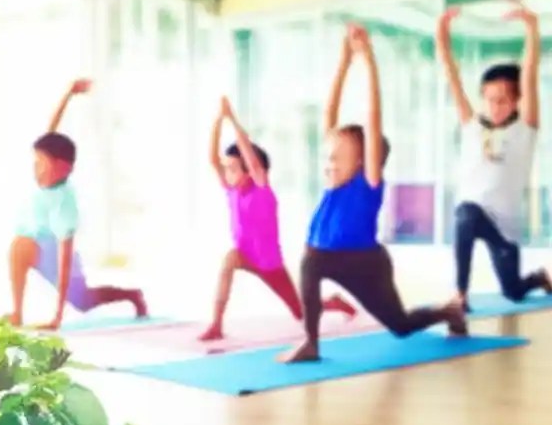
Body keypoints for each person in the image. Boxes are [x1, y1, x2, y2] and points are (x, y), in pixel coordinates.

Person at [280, 24, 467, 363]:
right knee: (309, 261)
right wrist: (343, 61)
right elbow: (329, 116)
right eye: (328, 157)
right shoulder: (333, 181)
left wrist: (369, 62)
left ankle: (448, 312)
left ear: (367, 161)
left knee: (400, 325)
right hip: (323, 256)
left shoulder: (367, 183)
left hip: (365, 264)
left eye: (338, 158)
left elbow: (373, 117)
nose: (329, 164)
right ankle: (311, 341)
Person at [199, 96, 355, 341]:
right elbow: (211, 159)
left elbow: (252, 162)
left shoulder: (262, 191)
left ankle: (334, 303)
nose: (227, 173)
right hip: (245, 254)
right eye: (226, 168)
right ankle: (216, 325)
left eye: (233, 168)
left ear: (250, 172)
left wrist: (232, 119)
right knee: (228, 261)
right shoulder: (232, 192)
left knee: (300, 313)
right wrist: (219, 120)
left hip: (269, 263)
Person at [7, 78, 147, 331]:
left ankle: (132, 295)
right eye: (35, 161)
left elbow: (64, 257)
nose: (34, 168)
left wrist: (56, 317)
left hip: (61, 259)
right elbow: (51, 132)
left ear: (63, 169)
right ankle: (17, 313)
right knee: (19, 246)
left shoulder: (65, 204)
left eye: (41, 164)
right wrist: (68, 95)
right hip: (36, 245)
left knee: (84, 301)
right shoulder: (44, 176)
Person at [436, 0, 550, 309]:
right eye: (489, 99)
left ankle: (539, 278)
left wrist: (531, 27)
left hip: (505, 227)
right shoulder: (472, 126)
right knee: (465, 213)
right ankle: (460, 294)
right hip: (474, 213)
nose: (495, 106)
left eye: (503, 100)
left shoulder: (524, 130)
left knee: (512, 292)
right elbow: (451, 75)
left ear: (516, 102)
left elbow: (528, 73)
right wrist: (442, 35)